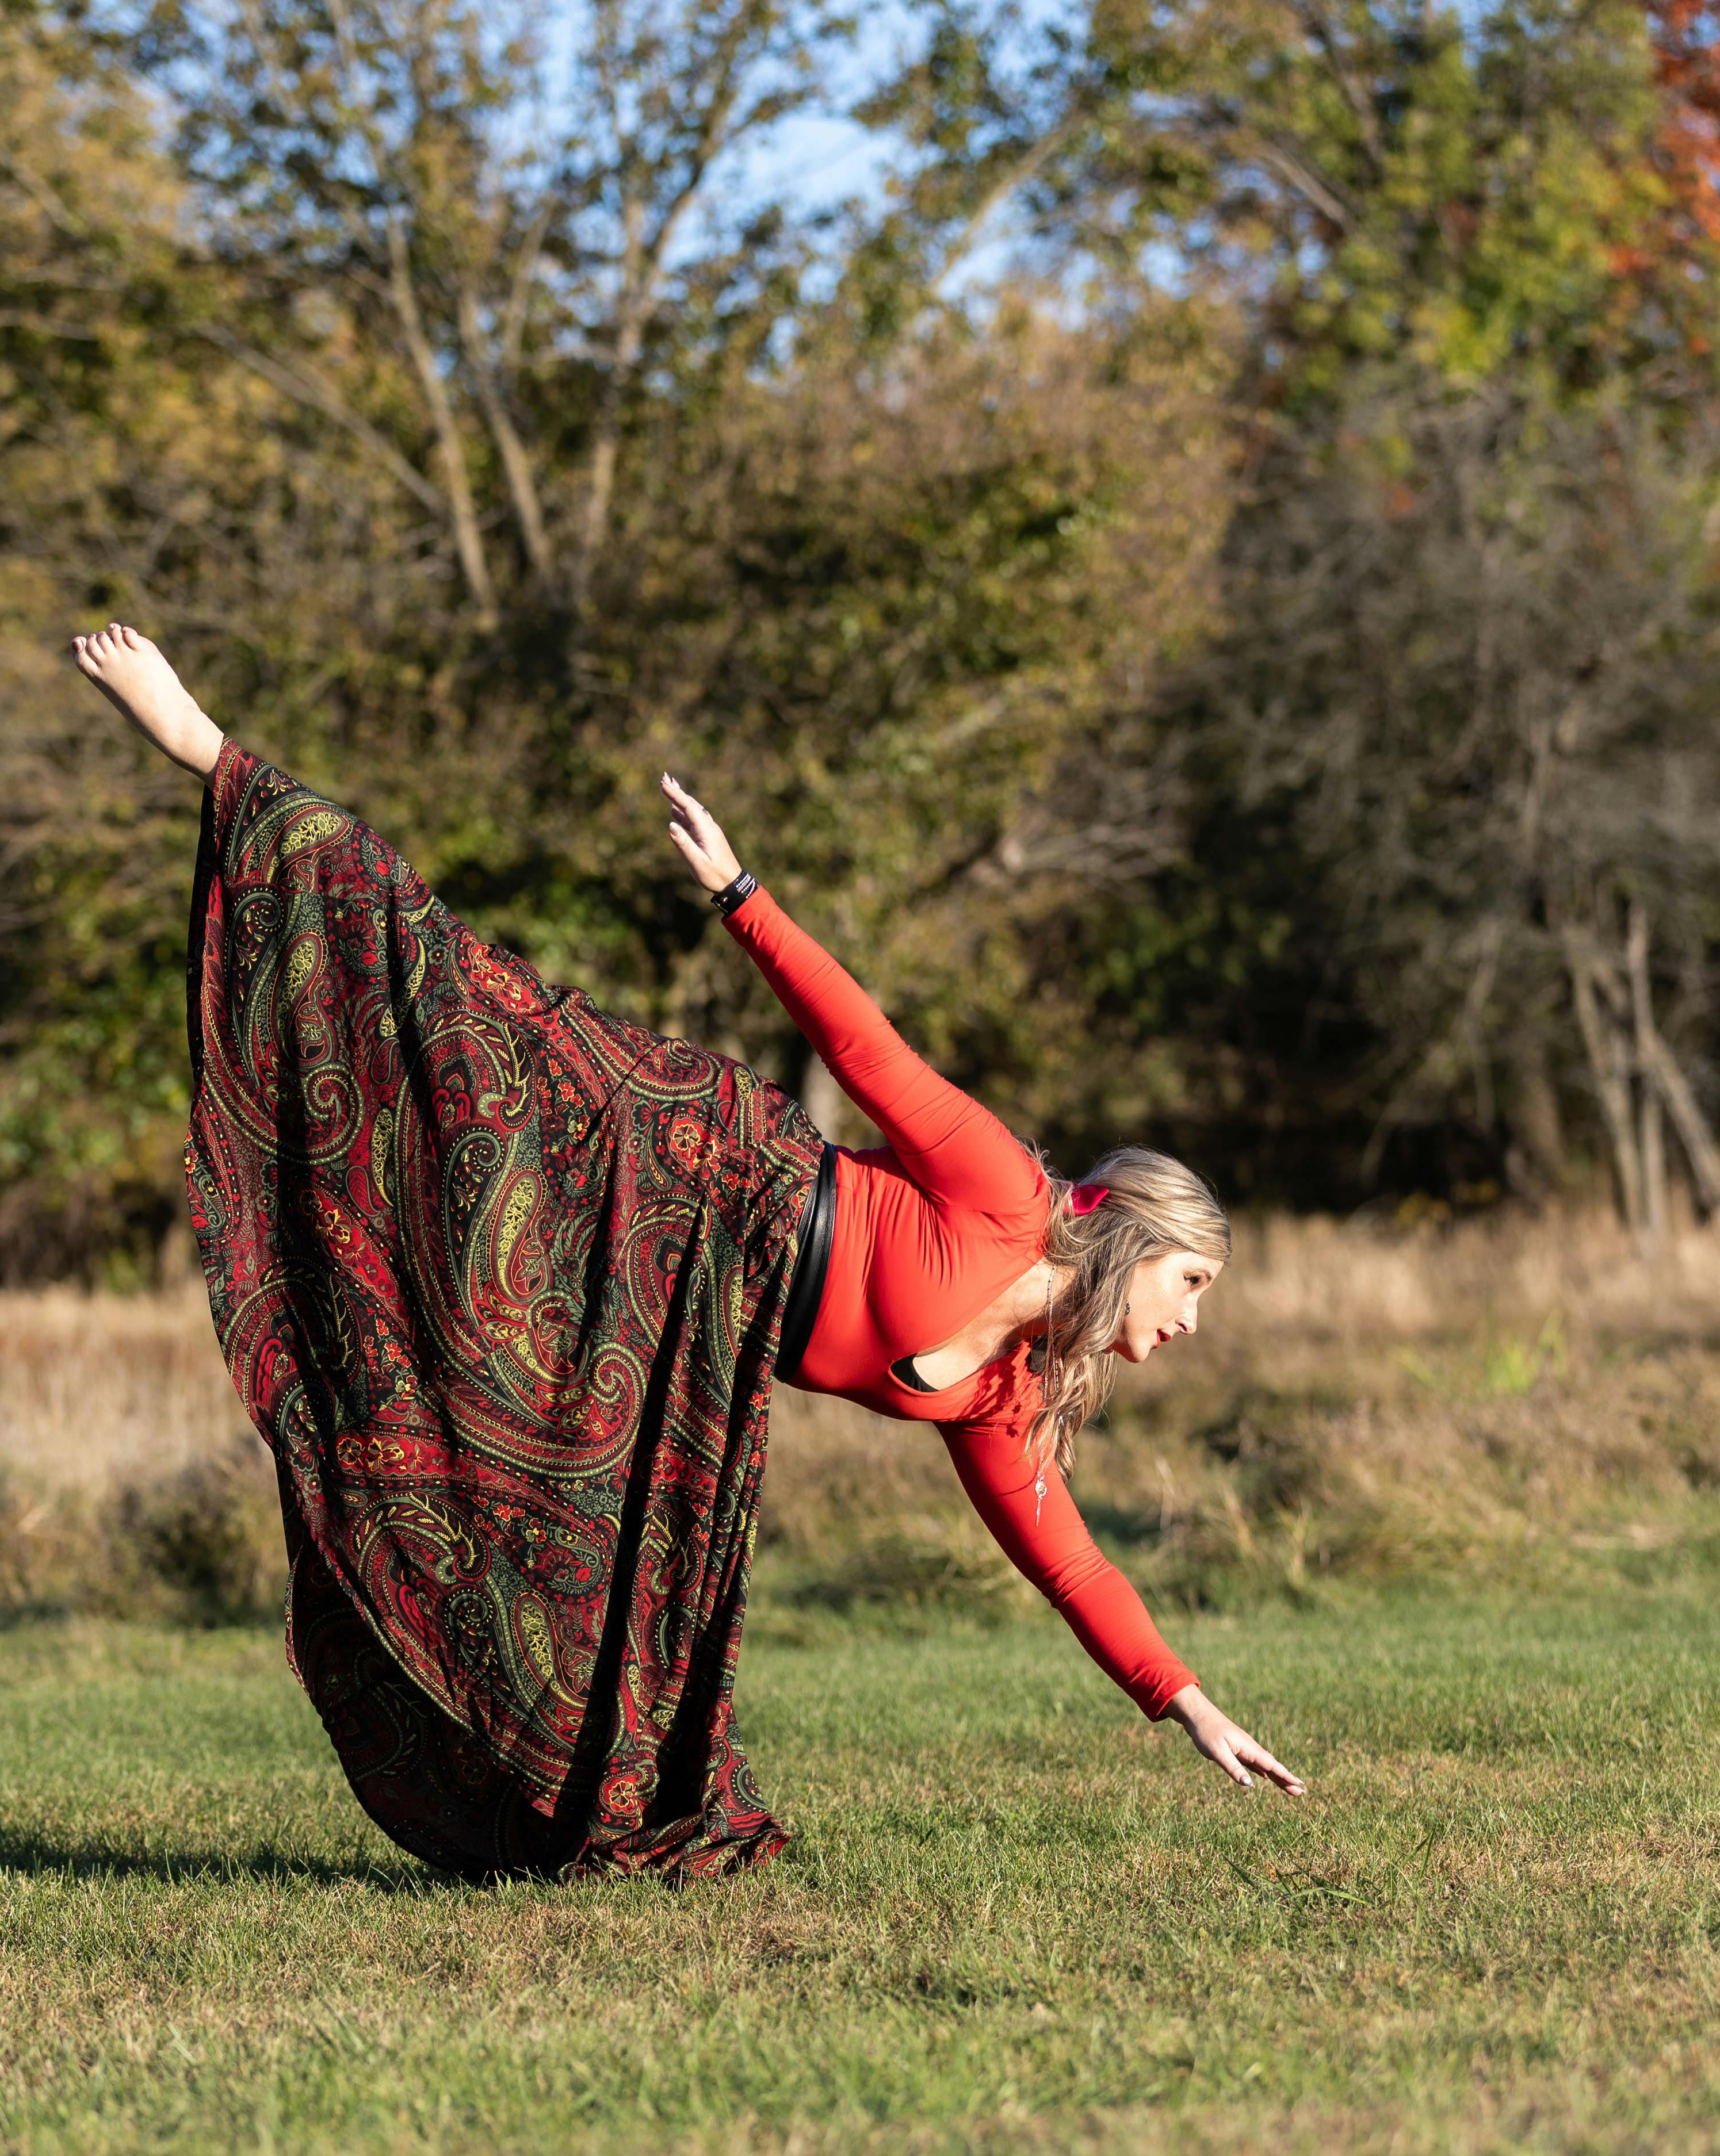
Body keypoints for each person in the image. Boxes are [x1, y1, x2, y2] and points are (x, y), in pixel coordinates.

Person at [72, 622, 1304, 1882]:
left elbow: (1073, 1566)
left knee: (555, 1510)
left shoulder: (1006, 1403)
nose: (1193, 1320)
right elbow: (865, 1048)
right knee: (452, 1013)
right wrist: (741, 896)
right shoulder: (1000, 1191)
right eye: (1192, 1281)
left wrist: (1190, 1706)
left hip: (684, 1338)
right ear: (1134, 1238)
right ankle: (206, 747)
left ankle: (537, 1799)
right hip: (679, 1163)